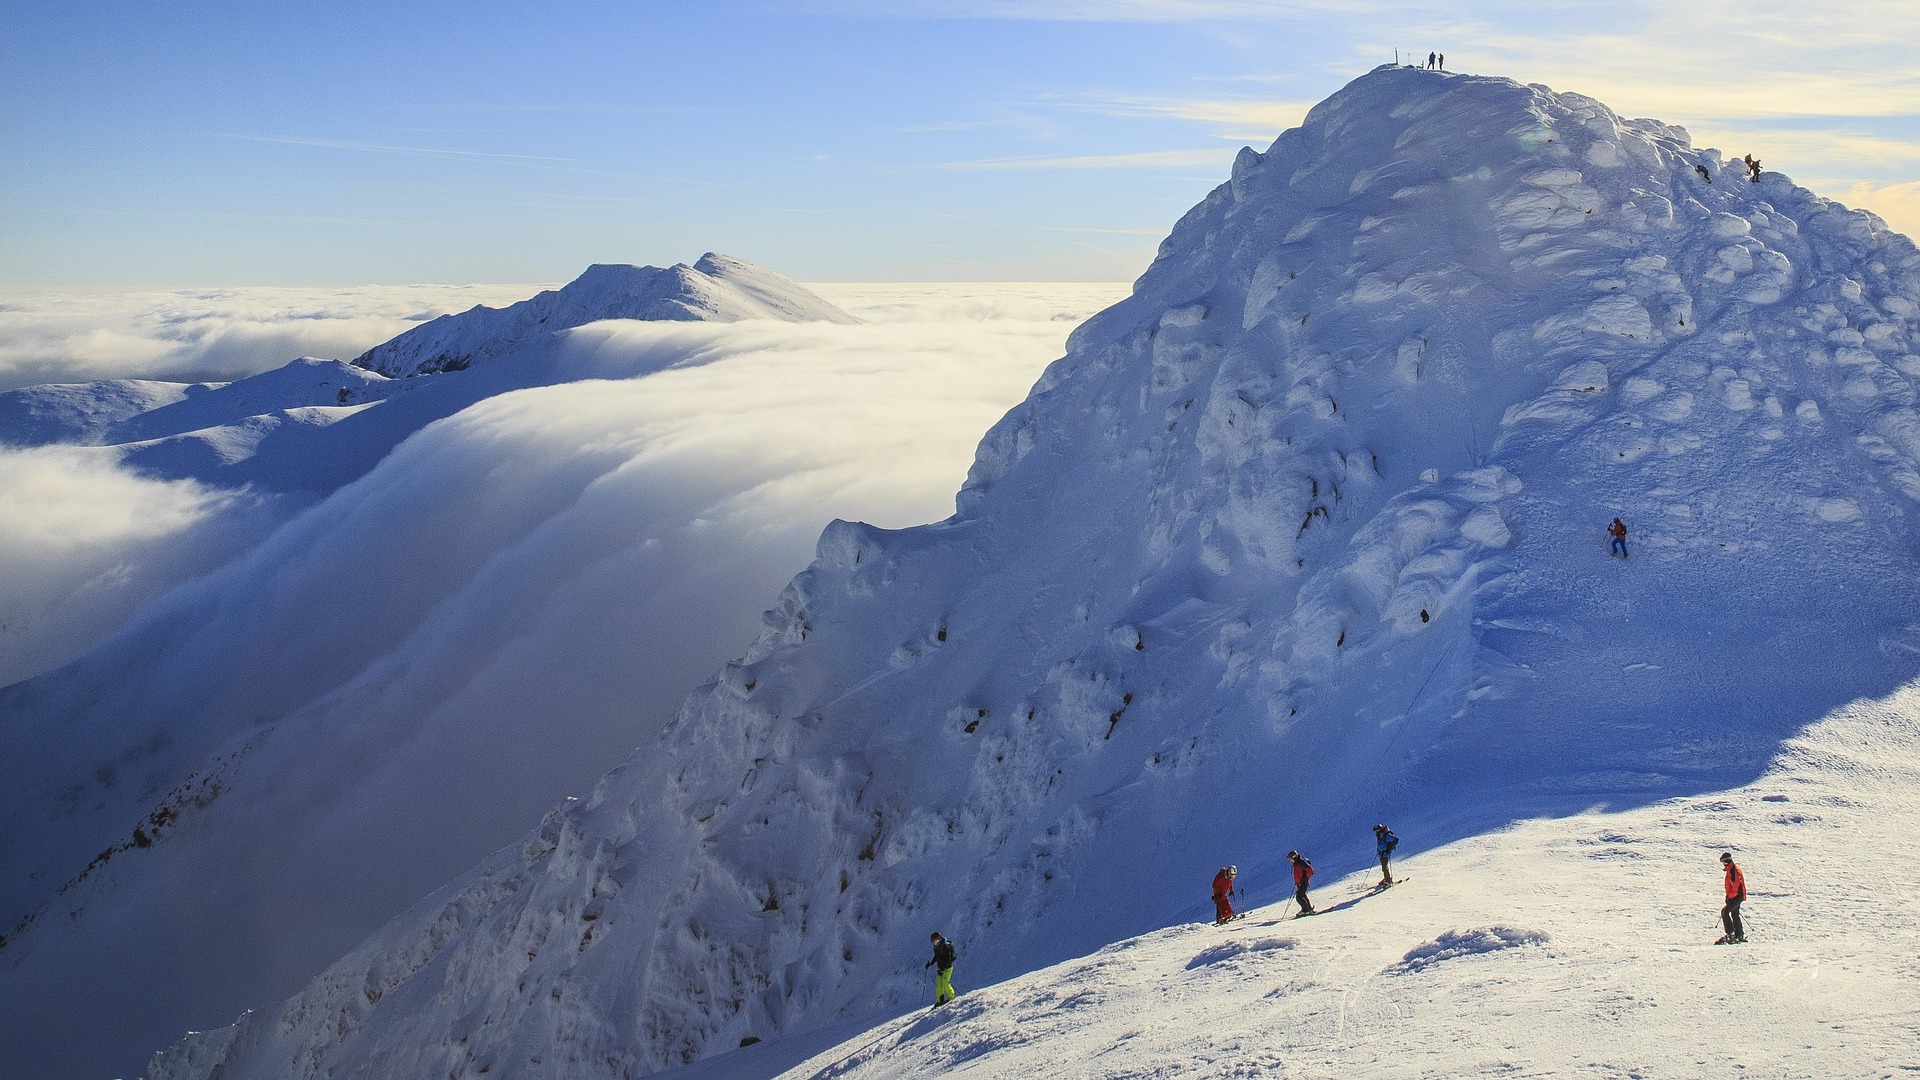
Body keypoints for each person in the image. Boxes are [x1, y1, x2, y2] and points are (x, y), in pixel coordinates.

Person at [1717, 853, 1747, 944]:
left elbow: (1735, 887)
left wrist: (1729, 897)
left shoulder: (1734, 871)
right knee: (1734, 913)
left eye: (1723, 862)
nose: (1723, 864)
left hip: (1736, 896)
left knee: (1725, 912)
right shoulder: (1732, 869)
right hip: (1738, 896)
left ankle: (1731, 934)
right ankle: (1739, 934)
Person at [926, 932, 957, 1004]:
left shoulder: (946, 946)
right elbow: (937, 956)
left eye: (934, 940)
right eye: (932, 941)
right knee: (939, 984)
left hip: (947, 968)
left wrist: (944, 968)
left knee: (945, 982)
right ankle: (940, 1001)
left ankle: (951, 998)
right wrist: (931, 963)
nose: (933, 942)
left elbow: (948, 959)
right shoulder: (937, 947)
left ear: (938, 939)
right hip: (941, 969)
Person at [1288, 850, 1316, 915]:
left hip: (1303, 882)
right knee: (1303, 895)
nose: (1290, 860)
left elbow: (1310, 870)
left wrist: (1305, 877)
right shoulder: (1296, 863)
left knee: (1299, 897)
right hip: (1300, 883)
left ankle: (1305, 911)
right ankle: (1309, 909)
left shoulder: (1300, 863)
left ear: (1294, 857)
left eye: (1290, 859)